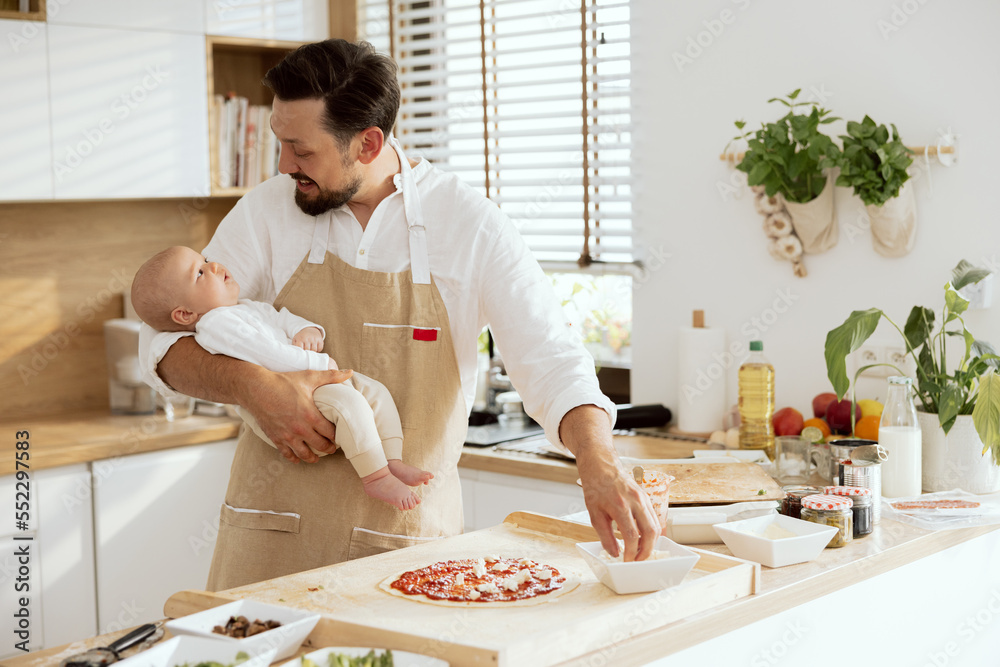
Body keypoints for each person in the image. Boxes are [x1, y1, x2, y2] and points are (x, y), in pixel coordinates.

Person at [139, 38, 659, 591]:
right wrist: (252, 386)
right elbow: (164, 344)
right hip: (270, 541)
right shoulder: (267, 211)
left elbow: (552, 362)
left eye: (302, 150)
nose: (285, 165)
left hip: (405, 548)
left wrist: (598, 464)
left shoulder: (470, 225)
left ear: (367, 143)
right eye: (280, 144)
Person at [131, 245, 432, 511]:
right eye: (199, 273)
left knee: (375, 393)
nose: (214, 265)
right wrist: (317, 362)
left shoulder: (244, 308)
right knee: (350, 405)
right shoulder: (216, 325)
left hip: (313, 378)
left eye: (205, 259)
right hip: (299, 387)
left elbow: (280, 317)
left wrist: (306, 330)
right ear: (184, 315)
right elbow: (270, 356)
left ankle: (391, 459)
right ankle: (376, 476)